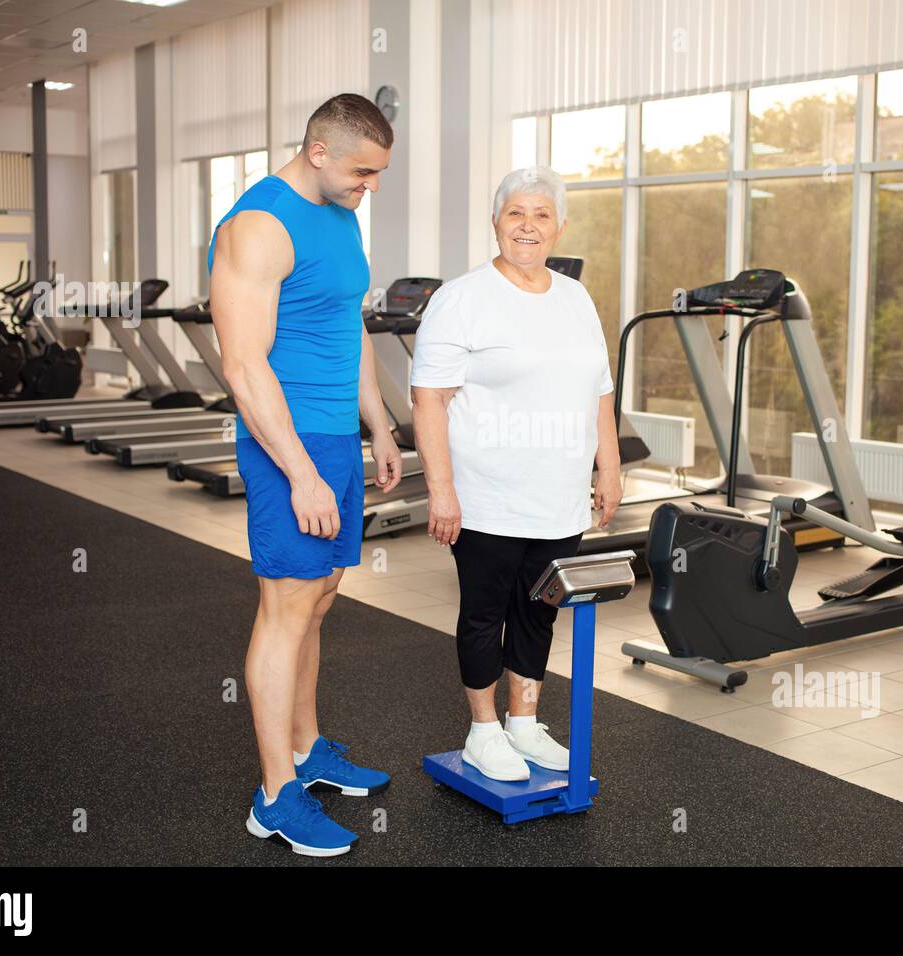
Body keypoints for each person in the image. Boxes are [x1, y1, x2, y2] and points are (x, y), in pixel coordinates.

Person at [210, 93, 403, 857]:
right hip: (284, 442)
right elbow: (242, 364)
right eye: (363, 171)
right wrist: (300, 472)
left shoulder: (341, 210)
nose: (371, 186)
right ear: (318, 151)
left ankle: (306, 746)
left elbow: (345, 320)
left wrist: (379, 425)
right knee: (286, 607)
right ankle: (275, 795)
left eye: (380, 173)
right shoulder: (258, 226)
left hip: (335, 438)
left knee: (319, 599)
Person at [410, 166, 623, 781]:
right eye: (515, 214)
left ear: (559, 226)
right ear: (497, 221)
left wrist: (608, 468)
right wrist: (443, 491)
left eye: (541, 215)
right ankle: (483, 731)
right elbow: (429, 401)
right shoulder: (462, 299)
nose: (528, 226)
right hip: (487, 495)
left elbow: (600, 394)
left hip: (557, 495)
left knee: (539, 610)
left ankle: (524, 725)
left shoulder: (575, 297)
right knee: (485, 612)